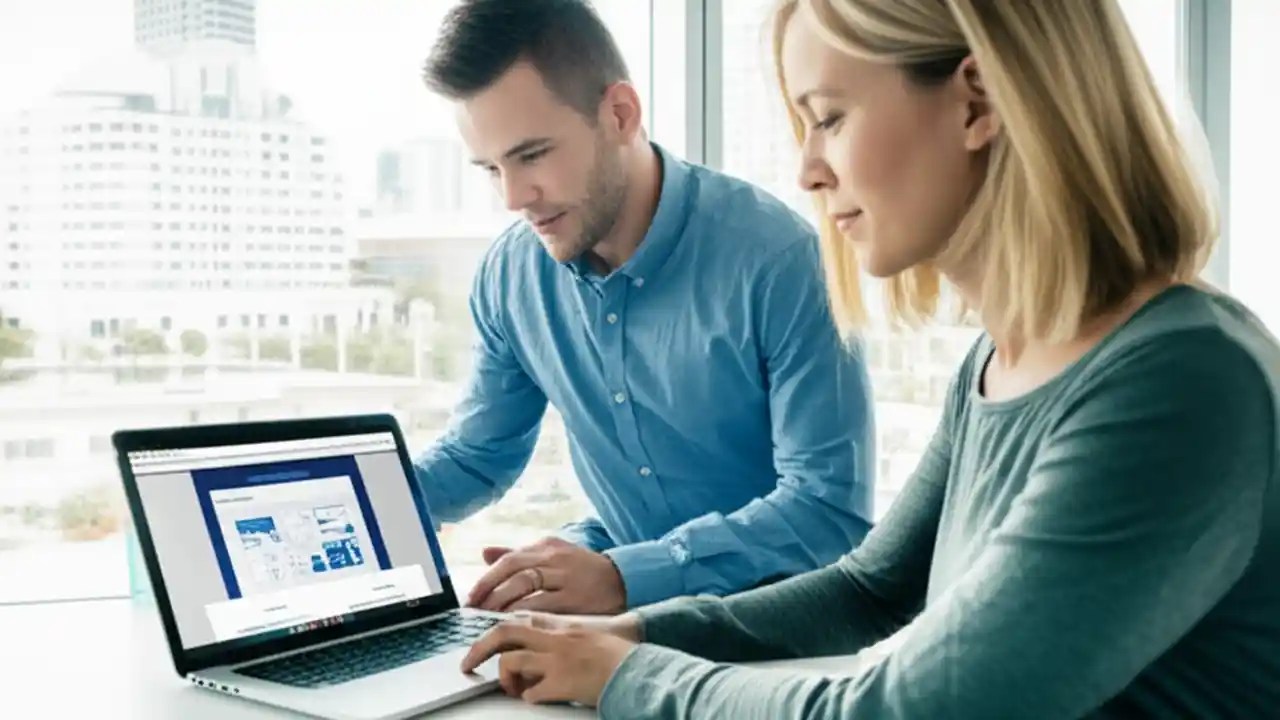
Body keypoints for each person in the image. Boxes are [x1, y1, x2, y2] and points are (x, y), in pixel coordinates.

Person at [460, 0, 1280, 716]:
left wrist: (629, 674)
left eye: (830, 117)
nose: (809, 171)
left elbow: (911, 708)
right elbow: (872, 589)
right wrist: (624, 632)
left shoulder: (1180, 379)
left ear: (976, 102)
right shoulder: (998, 363)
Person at [413, 0, 875, 616]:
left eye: (532, 155)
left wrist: (621, 575)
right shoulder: (511, 275)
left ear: (621, 114)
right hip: (623, 627)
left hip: (780, 634)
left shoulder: (780, 260)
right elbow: (477, 457)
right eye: (490, 168)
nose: (513, 197)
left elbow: (827, 512)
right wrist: (340, 507)